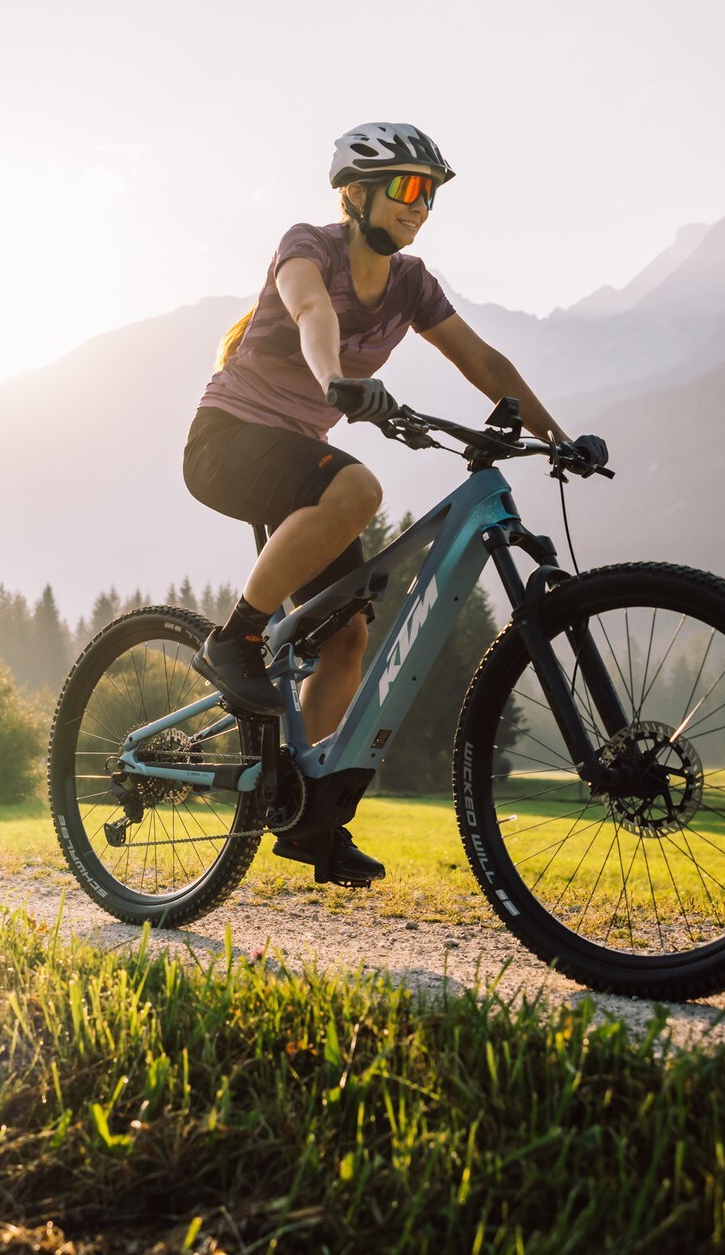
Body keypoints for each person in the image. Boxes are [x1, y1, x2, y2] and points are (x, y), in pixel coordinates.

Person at [183, 122, 598, 886]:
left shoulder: (411, 283)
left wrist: (559, 437)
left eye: (430, 193)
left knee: (346, 638)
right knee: (359, 487)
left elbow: (484, 360)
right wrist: (336, 380)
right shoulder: (308, 244)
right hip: (228, 441)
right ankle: (235, 638)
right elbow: (313, 315)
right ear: (355, 193)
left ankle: (312, 818)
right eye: (407, 187)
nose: (420, 204)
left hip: (297, 460)